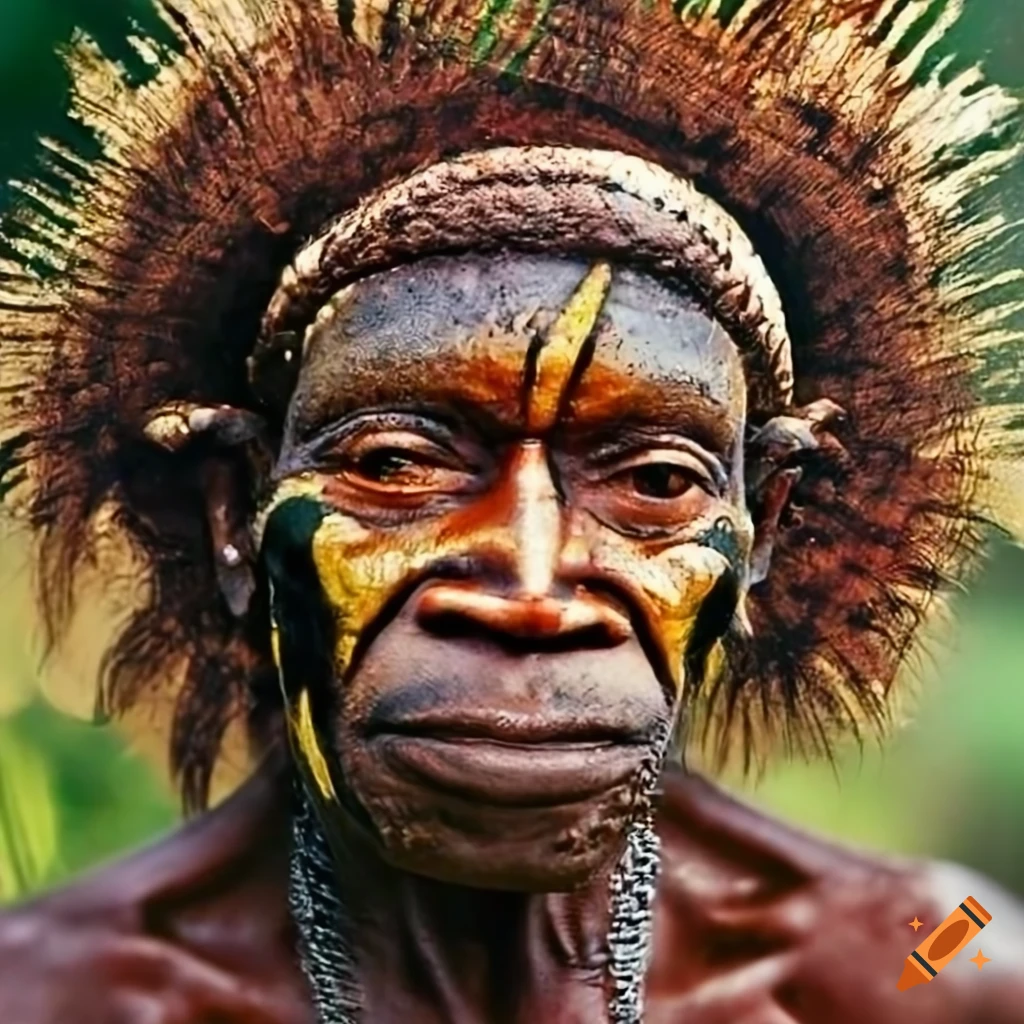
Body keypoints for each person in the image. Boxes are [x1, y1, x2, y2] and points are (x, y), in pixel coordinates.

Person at [1, 1, 1022, 1021]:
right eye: (395, 463)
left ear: (764, 526)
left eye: (657, 483)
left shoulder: (929, 963)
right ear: (237, 510)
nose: (531, 589)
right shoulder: (54, 995)